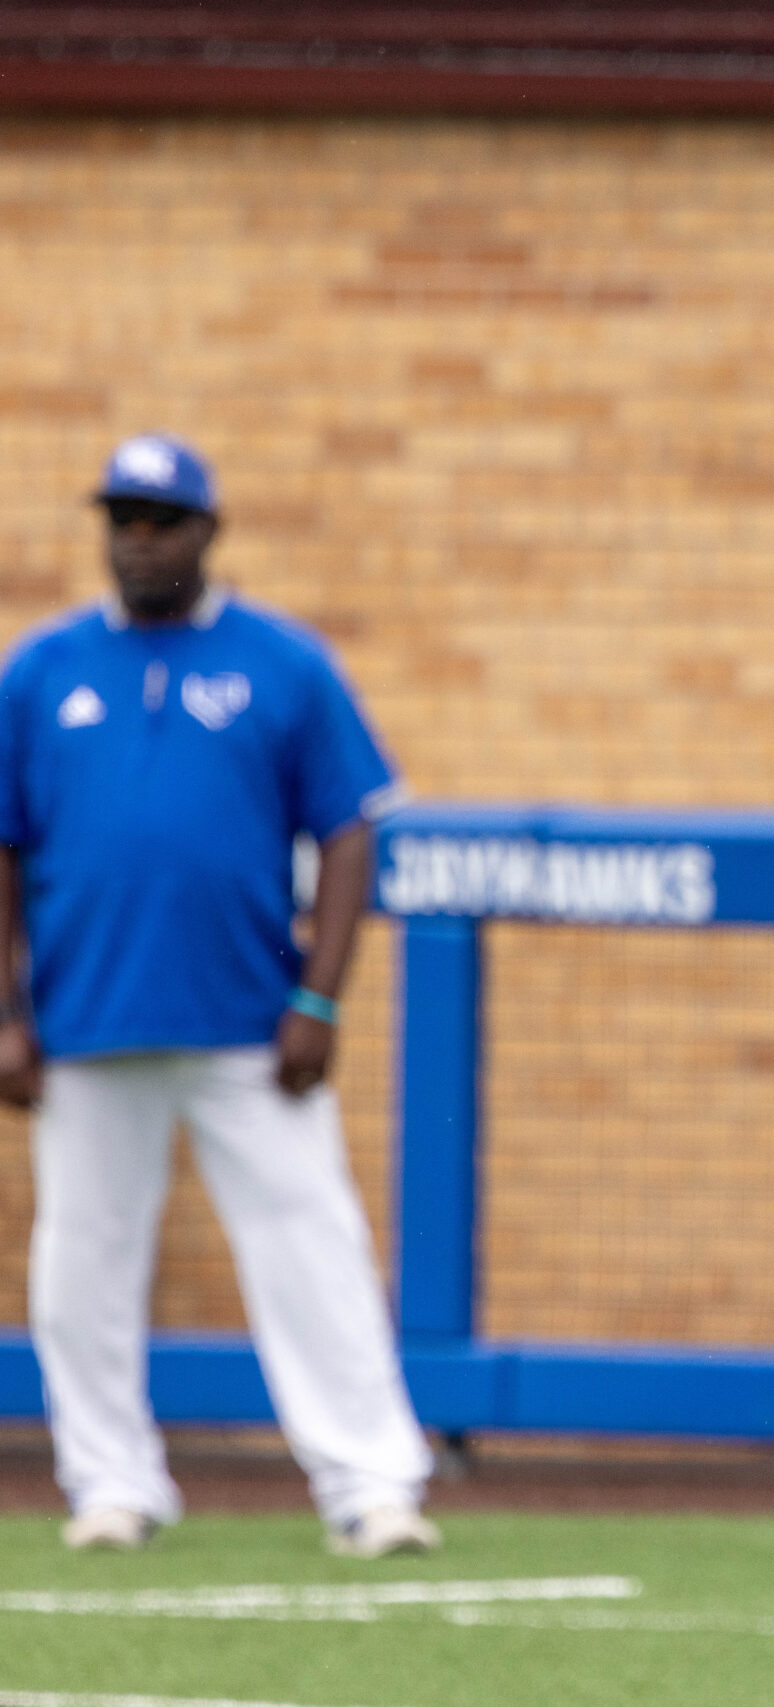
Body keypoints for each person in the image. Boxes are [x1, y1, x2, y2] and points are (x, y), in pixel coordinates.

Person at [0, 434, 439, 1558]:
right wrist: (7, 1014)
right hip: (87, 1020)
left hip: (251, 1021)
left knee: (311, 1247)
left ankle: (371, 1485)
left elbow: (348, 829)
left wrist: (323, 999)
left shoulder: (283, 664)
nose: (140, 541)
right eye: (123, 520)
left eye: (162, 520)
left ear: (209, 530)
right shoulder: (41, 672)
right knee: (81, 1263)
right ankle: (111, 1483)